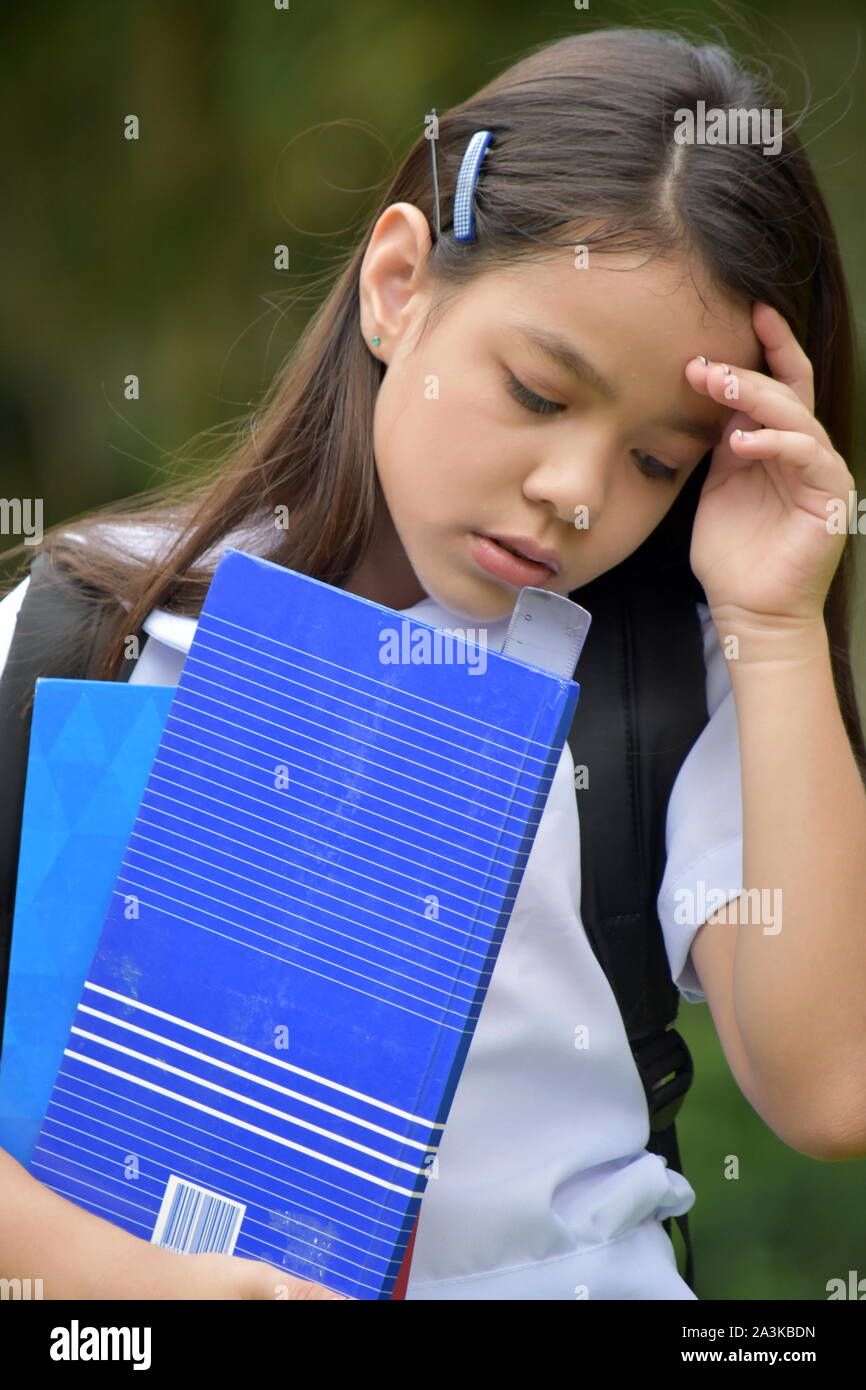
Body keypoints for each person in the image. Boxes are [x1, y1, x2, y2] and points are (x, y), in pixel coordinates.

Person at [1, 25, 865, 1301]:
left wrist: (779, 625)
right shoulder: (88, 629)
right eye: (536, 389)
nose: (572, 493)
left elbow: (829, 1086)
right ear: (398, 284)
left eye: (654, 461)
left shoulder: (669, 677)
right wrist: (153, 1288)